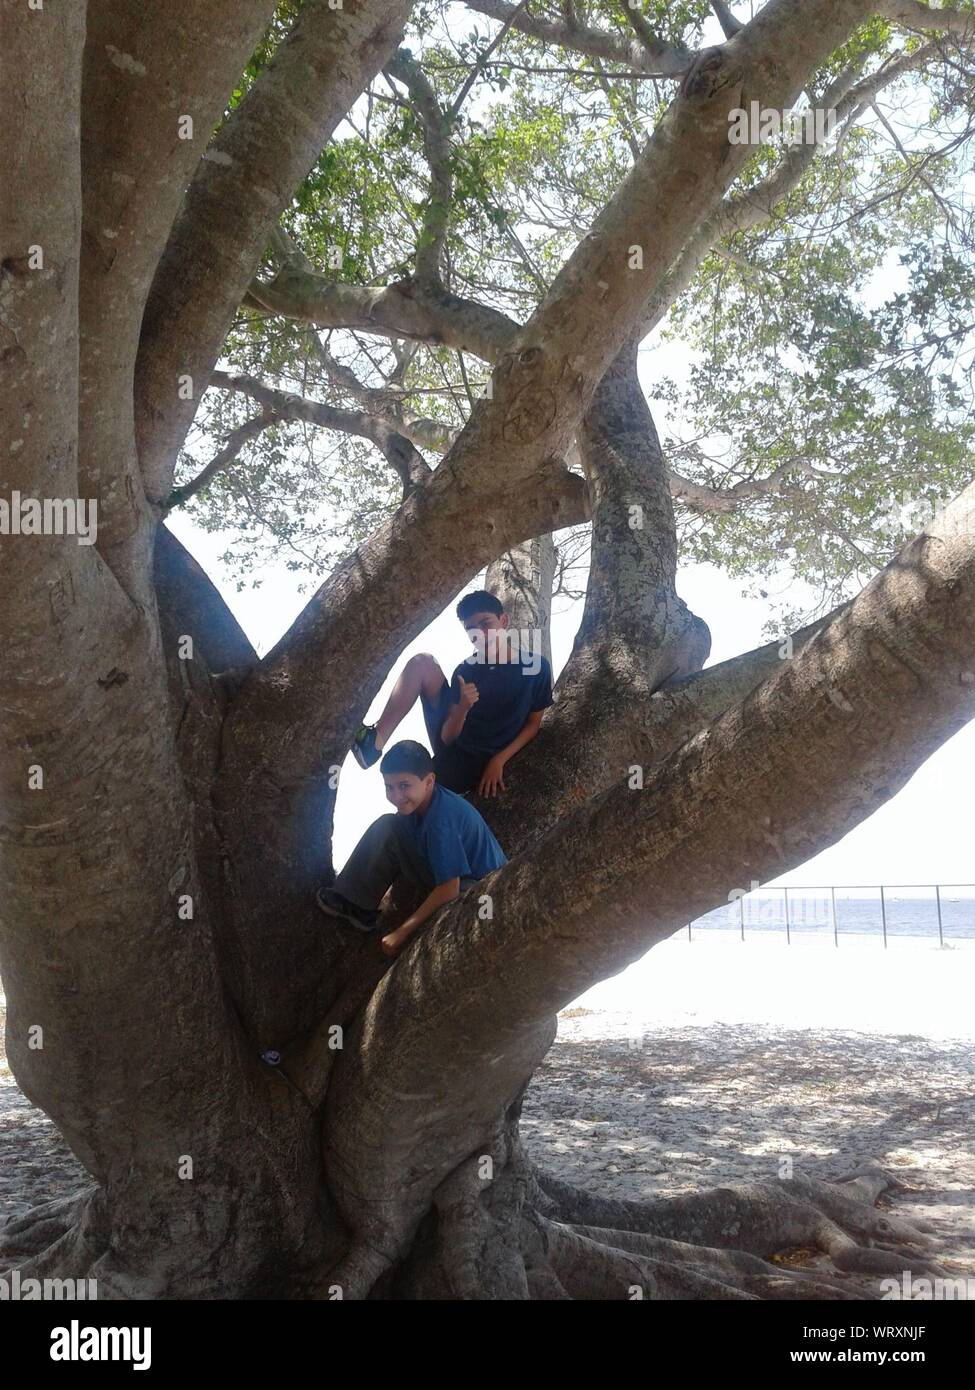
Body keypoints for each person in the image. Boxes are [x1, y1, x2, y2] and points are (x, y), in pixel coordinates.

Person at [349, 590, 554, 796]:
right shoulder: (466, 671)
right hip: (456, 754)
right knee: (423, 663)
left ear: (503, 621)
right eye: (471, 629)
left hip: (493, 758)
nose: (480, 634)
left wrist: (499, 759)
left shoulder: (536, 668)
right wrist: (463, 707)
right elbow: (447, 738)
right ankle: (373, 742)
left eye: (486, 623)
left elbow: (533, 725)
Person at [316, 740, 506, 957]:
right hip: (444, 874)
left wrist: (402, 931)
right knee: (388, 825)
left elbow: (449, 889)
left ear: (429, 781)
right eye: (389, 787)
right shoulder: (421, 804)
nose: (396, 796)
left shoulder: (441, 820)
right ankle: (355, 903)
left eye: (404, 786)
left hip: (477, 891)